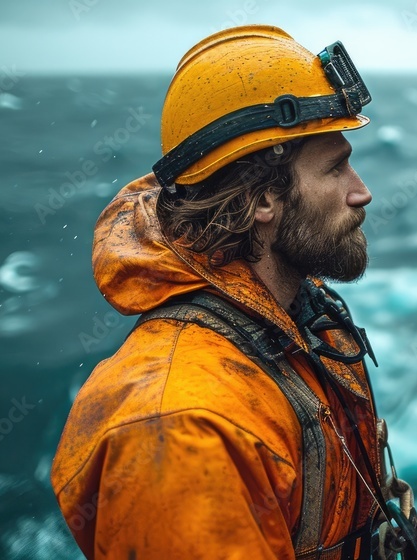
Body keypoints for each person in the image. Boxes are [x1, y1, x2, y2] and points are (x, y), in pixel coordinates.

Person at [50, 25, 386, 559]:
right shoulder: (183, 428)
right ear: (262, 202)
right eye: (335, 167)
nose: (361, 191)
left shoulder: (287, 312)